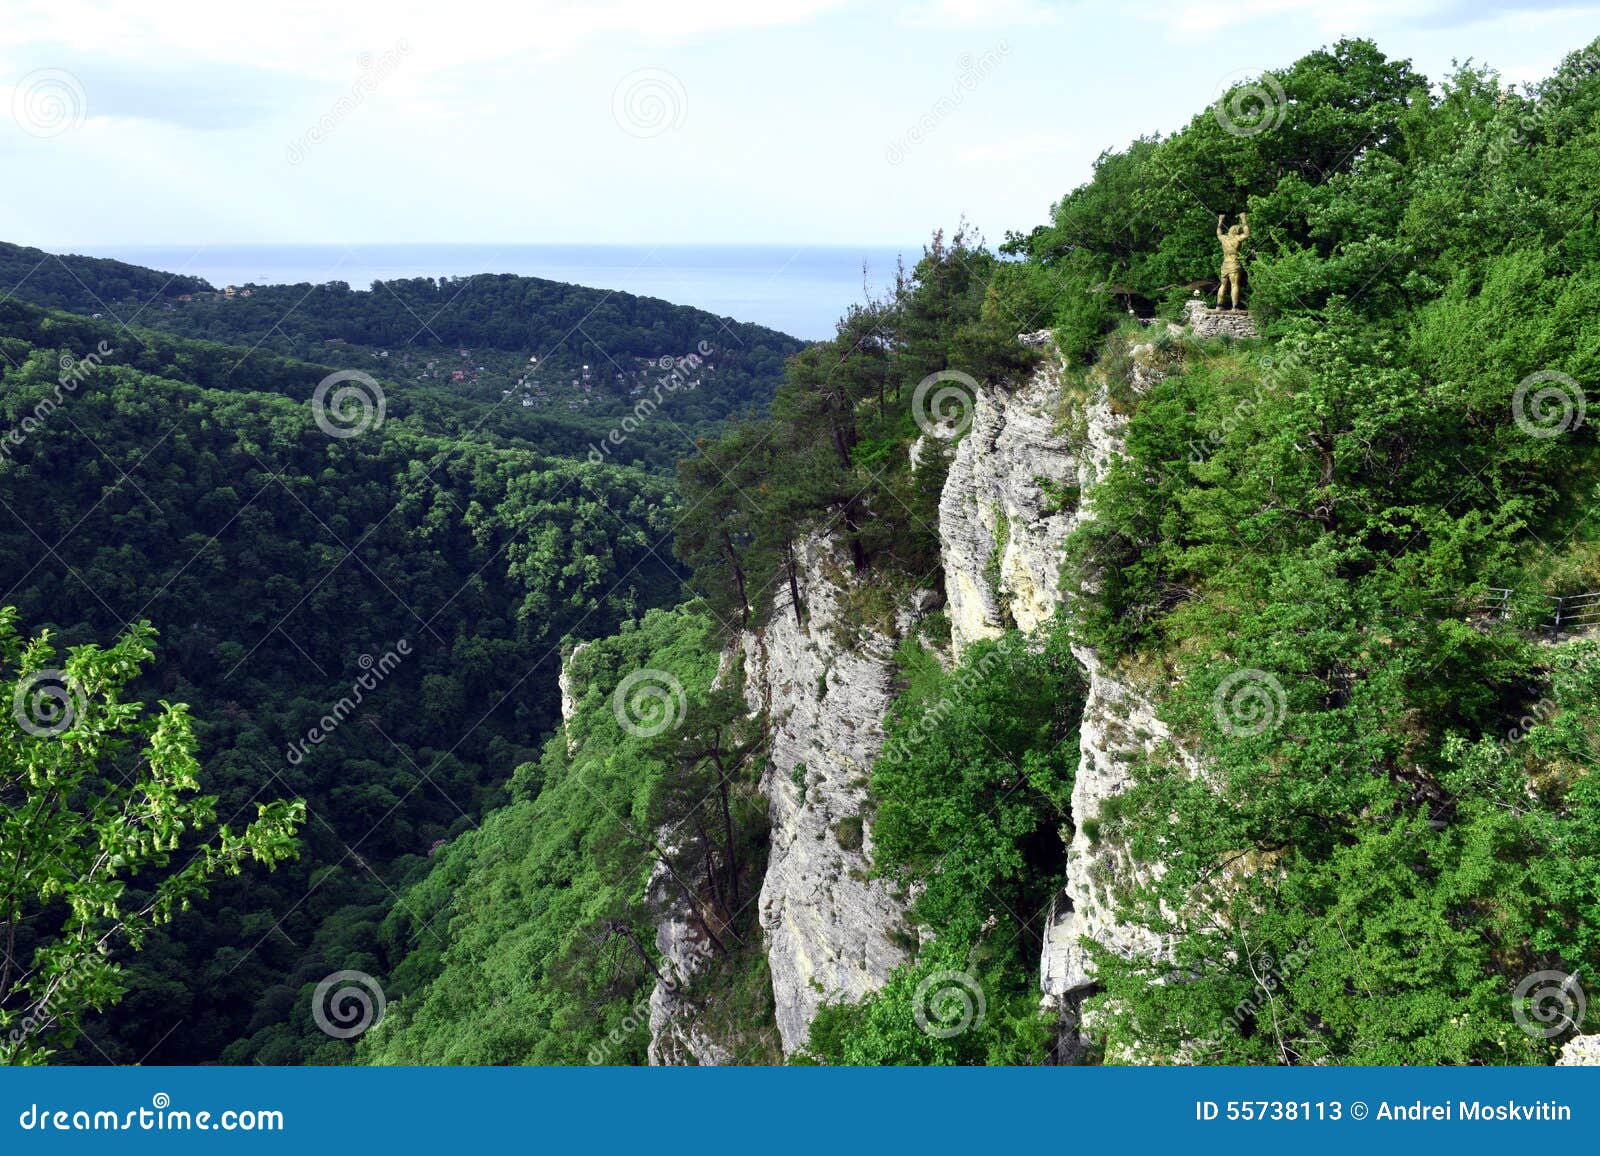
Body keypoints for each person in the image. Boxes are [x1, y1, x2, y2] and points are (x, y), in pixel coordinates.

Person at [1216, 212, 1250, 310]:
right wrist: (1243, 219)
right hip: (1233, 263)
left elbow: (1218, 232)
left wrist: (1220, 221)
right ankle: (1235, 307)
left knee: (1223, 285)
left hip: (1225, 264)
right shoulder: (1237, 238)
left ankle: (1219, 306)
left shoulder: (1224, 239)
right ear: (1236, 231)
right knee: (1234, 285)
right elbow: (1247, 233)